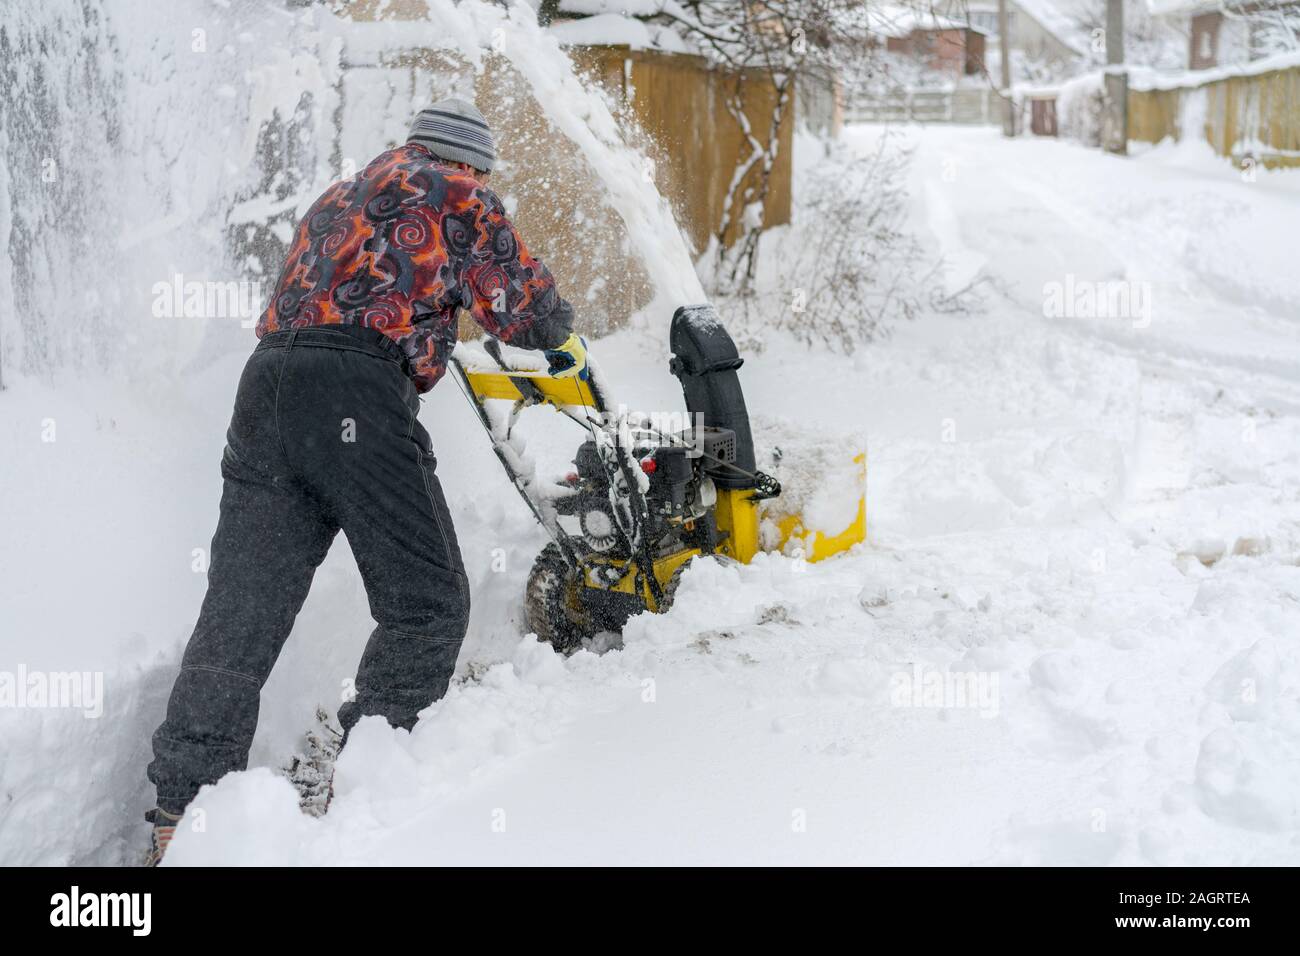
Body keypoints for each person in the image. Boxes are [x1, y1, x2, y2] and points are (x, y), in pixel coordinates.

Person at [145, 98, 586, 864]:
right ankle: (370, 795)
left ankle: (179, 815)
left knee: (241, 612)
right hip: (353, 389)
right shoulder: (460, 192)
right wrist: (561, 333)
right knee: (427, 602)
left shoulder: (341, 192)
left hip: (267, 387)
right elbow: (520, 307)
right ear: (471, 162)